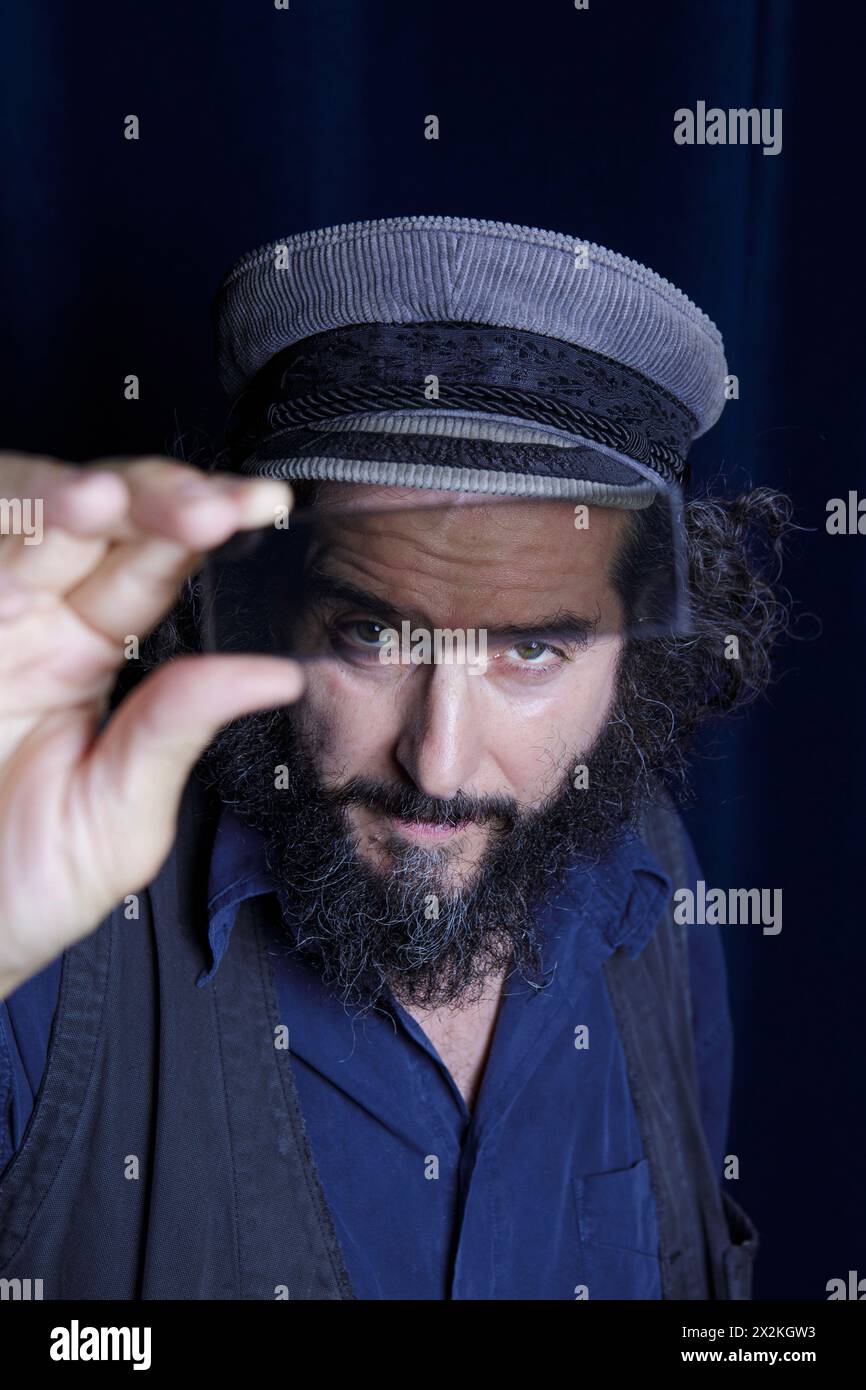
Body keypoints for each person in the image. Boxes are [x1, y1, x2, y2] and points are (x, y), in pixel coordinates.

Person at [0, 216, 791, 1300]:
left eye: (527, 648)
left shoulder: (652, 889)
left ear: (634, 660)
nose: (436, 760)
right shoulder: (48, 939)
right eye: (374, 634)